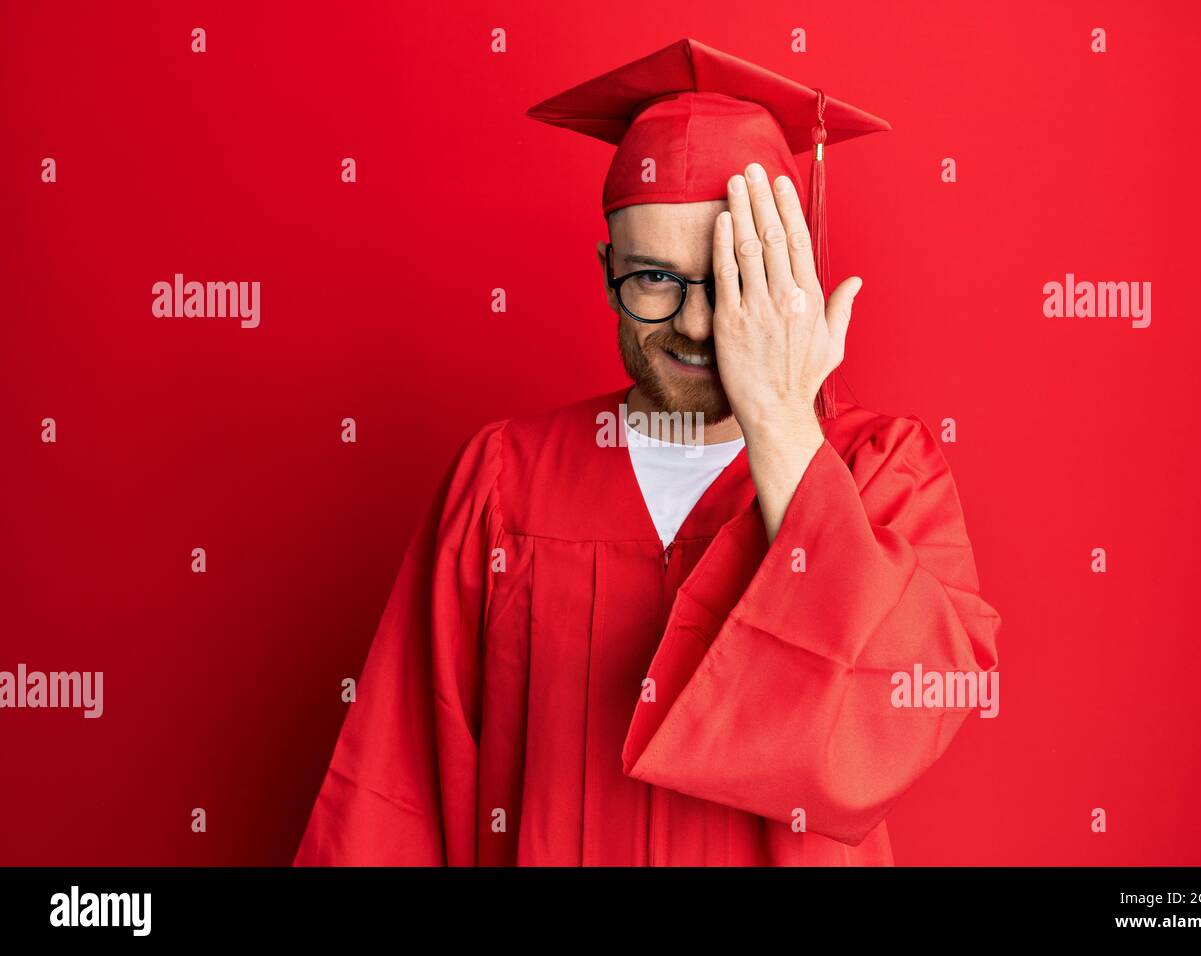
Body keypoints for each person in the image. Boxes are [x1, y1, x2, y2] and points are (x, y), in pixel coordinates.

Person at [293, 37, 1001, 866]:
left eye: (732, 276)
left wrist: (778, 418)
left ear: (789, 279)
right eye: (655, 279)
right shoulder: (503, 480)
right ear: (606, 273)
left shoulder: (881, 467)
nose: (699, 325)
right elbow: (396, 783)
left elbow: (895, 721)